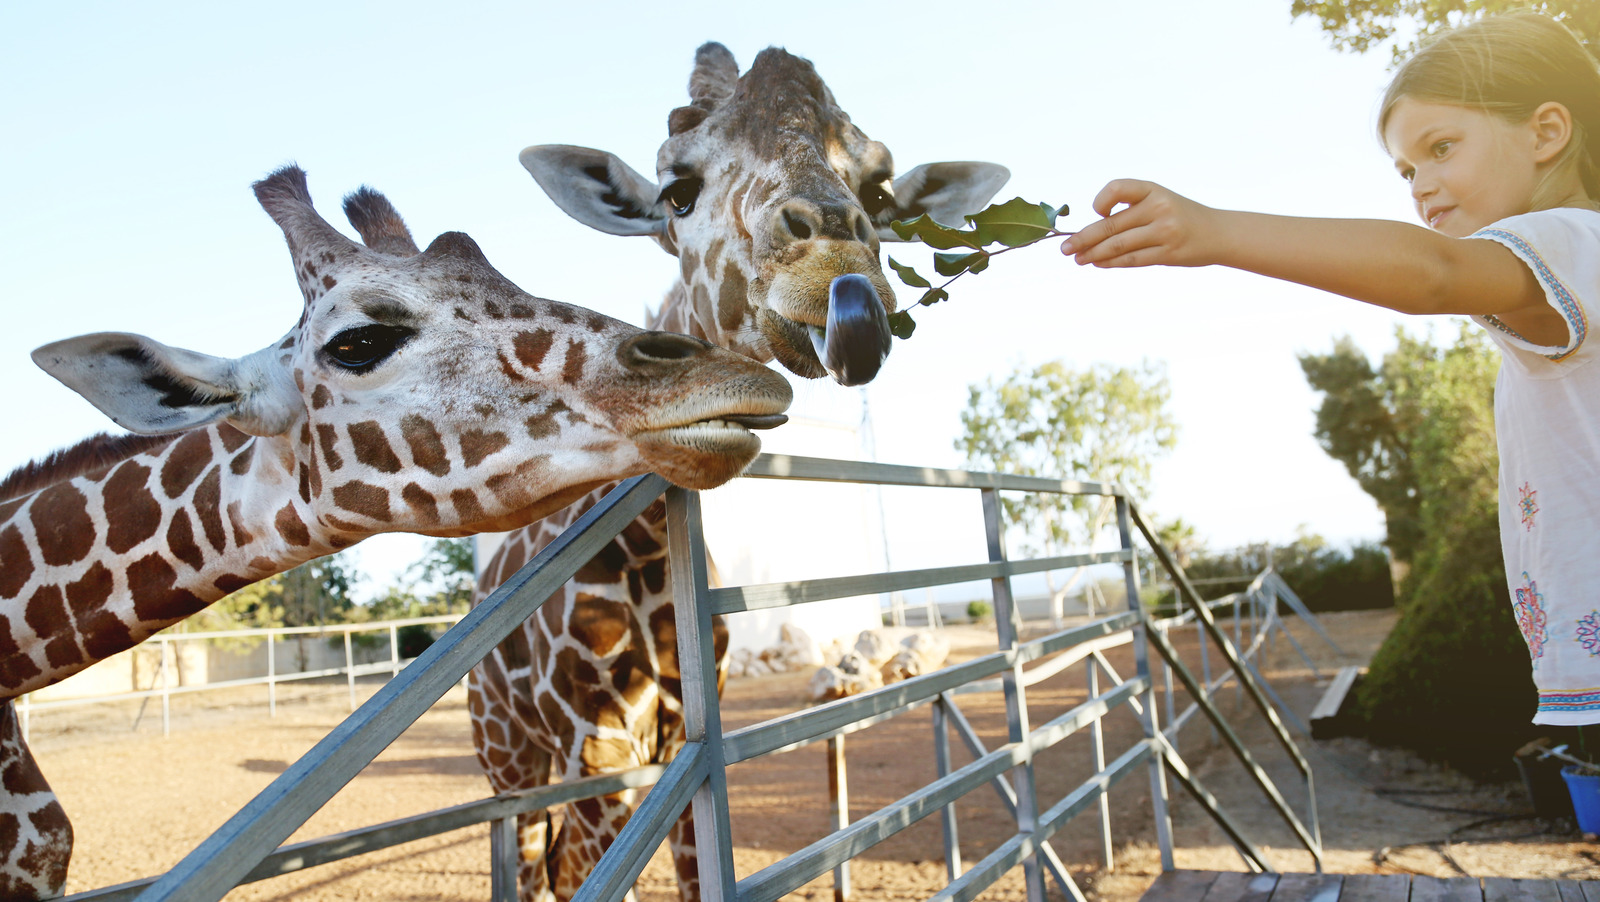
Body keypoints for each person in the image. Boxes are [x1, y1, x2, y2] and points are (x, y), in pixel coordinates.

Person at [1062, 11, 1600, 726]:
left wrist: (1216, 232)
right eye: (1407, 170)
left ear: (1546, 132)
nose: (1421, 186)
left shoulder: (1573, 240)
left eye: (1441, 148)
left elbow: (1435, 273)